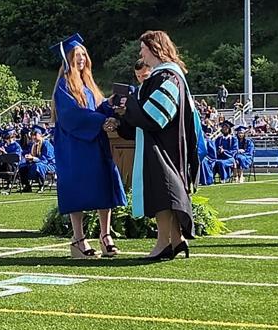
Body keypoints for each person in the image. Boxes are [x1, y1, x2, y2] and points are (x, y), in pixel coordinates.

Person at [115, 30, 201, 262]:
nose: (141, 53)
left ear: (155, 48)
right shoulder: (165, 75)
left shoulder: (168, 76)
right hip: (164, 144)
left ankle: (163, 243)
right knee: (166, 192)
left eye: (143, 48)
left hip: (163, 147)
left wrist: (129, 104)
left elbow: (155, 117)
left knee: (163, 192)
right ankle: (175, 240)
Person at [49, 33, 127, 259]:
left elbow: (97, 110)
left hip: (95, 143)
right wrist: (102, 121)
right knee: (78, 189)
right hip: (75, 146)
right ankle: (78, 239)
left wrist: (111, 107)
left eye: (84, 54)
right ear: (68, 59)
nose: (81, 58)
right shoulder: (64, 86)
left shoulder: (88, 84)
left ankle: (105, 235)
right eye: (76, 55)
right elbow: (72, 116)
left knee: (104, 184)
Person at [19, 125, 55, 193]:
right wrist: (28, 157)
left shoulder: (46, 144)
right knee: (22, 166)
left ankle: (41, 186)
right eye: (32, 134)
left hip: (49, 164)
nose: (33, 136)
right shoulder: (33, 145)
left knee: (38, 166)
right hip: (36, 163)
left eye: (35, 134)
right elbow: (29, 154)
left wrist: (33, 158)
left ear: (40, 134)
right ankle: (27, 186)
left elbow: (46, 159)